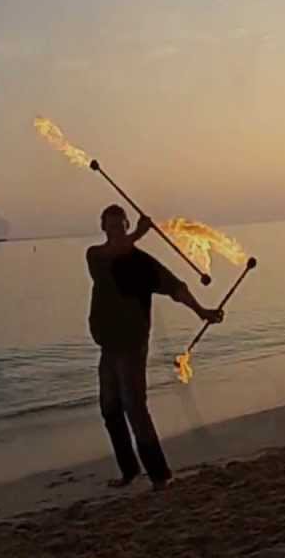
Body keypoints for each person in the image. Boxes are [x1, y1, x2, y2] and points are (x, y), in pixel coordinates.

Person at [86, 205, 223, 490]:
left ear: (124, 226)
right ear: (102, 227)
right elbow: (113, 251)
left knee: (135, 407)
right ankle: (129, 471)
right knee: (110, 408)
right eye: (109, 226)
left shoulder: (142, 263)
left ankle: (160, 475)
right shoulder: (96, 256)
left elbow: (176, 287)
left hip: (132, 344)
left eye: (119, 226)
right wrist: (139, 232)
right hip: (108, 345)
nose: (114, 231)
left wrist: (201, 311)